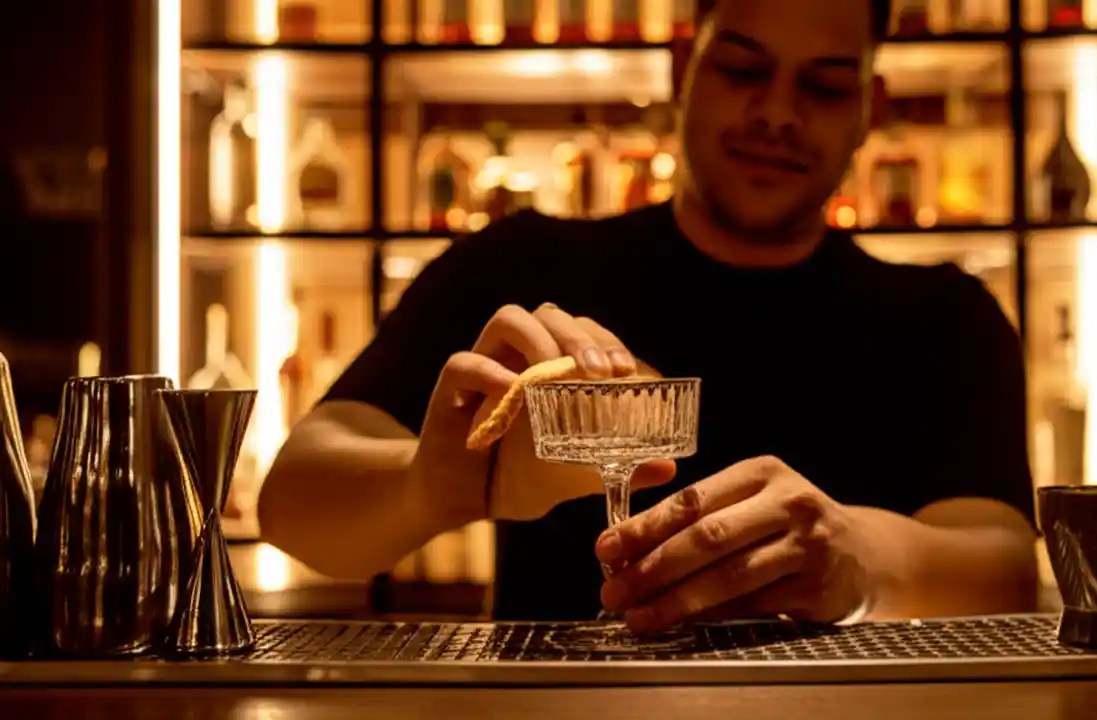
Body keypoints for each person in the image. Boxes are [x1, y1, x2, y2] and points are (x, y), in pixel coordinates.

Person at [258, 0, 1039, 632]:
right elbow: (290, 503)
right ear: (680, 70)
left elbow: (1005, 569)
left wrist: (857, 560)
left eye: (824, 86)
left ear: (870, 109)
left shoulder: (944, 319)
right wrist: (432, 487)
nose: (777, 113)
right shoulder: (519, 269)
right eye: (742, 69)